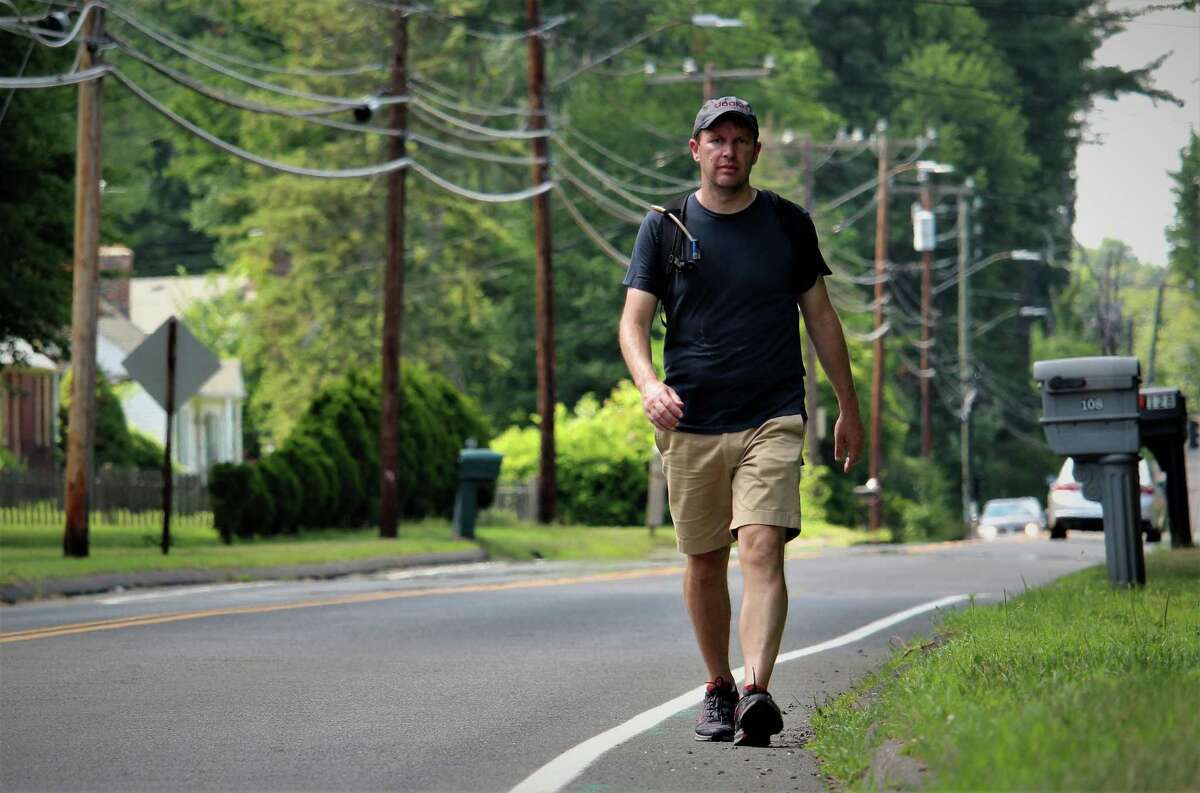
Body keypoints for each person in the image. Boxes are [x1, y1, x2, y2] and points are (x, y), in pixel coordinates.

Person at [617, 96, 864, 747]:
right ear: (695, 149)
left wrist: (848, 404)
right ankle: (719, 686)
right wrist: (649, 384)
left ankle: (757, 687)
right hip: (690, 416)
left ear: (757, 150)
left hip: (772, 413)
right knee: (704, 560)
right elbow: (634, 321)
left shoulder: (786, 223)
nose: (727, 150)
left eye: (740, 139)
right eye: (715, 139)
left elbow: (822, 317)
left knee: (760, 545)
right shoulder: (664, 227)